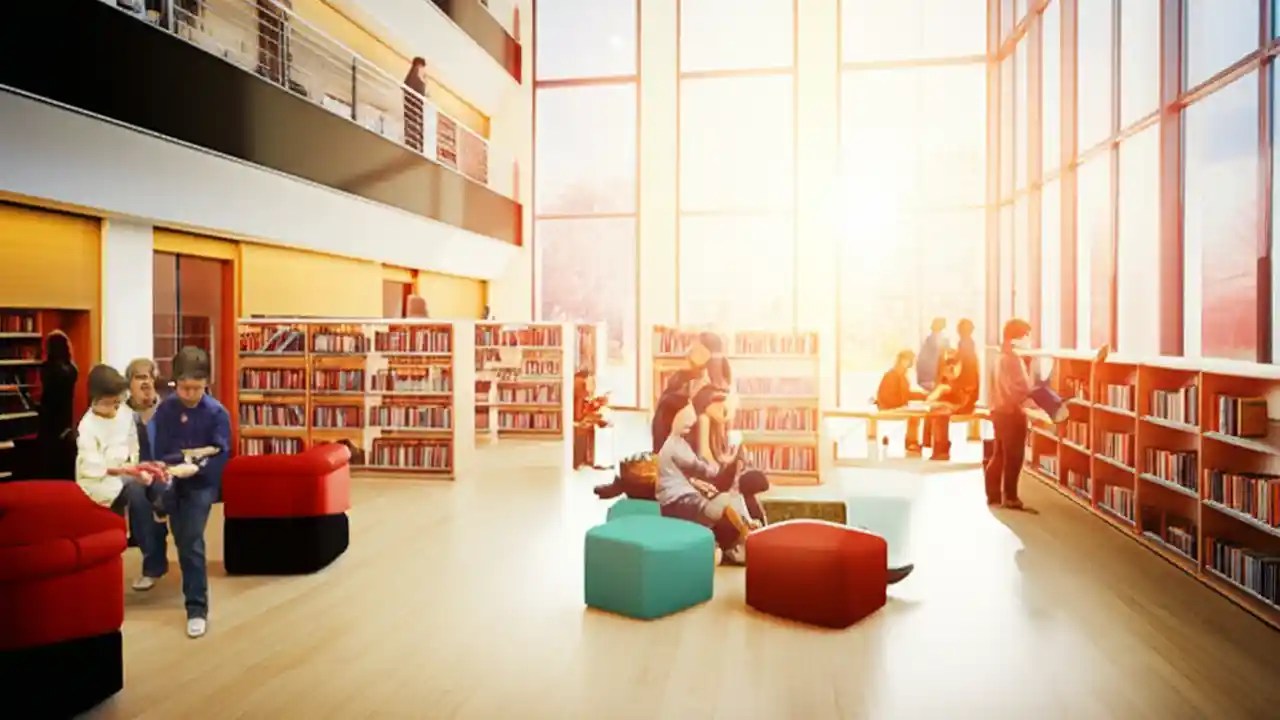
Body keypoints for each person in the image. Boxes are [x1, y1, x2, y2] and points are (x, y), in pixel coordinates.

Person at [126, 347, 230, 639]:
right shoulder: (167, 409)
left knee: (190, 539)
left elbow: (221, 453)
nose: (189, 393)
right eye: (184, 387)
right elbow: (158, 450)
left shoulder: (216, 413)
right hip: (171, 477)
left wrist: (197, 465)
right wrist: (166, 467)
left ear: (206, 383)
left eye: (196, 388)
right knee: (144, 496)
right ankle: (156, 548)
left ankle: (196, 608)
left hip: (201, 483)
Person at [656, 396, 751, 565]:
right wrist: (720, 464)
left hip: (690, 489)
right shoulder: (673, 445)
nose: (690, 422)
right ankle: (740, 537)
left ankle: (742, 534)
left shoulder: (680, 443)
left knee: (731, 499)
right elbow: (700, 466)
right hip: (678, 499)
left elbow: (689, 472)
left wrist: (700, 481)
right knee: (720, 503)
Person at [985, 319, 1036, 511]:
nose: (1028, 339)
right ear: (1018, 336)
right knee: (1014, 456)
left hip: (998, 410)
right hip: (1011, 411)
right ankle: (1011, 497)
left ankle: (993, 495)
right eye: (1026, 335)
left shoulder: (999, 356)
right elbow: (1018, 388)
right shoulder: (1012, 359)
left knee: (999, 453)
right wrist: (1032, 402)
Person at [37, 330, 78, 480]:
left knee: (48, 462)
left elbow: (47, 396)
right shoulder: (72, 369)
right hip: (65, 421)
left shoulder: (48, 369)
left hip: (48, 422)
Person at [924, 350, 977, 462]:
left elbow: (963, 400)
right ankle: (939, 449)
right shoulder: (946, 382)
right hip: (951, 405)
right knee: (937, 412)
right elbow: (931, 399)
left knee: (939, 414)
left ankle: (941, 449)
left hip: (960, 405)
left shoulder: (958, 381)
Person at [876, 350, 928, 454]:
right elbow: (901, 395)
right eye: (908, 360)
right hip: (890, 406)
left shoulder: (899, 373)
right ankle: (911, 442)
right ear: (901, 360)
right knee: (915, 414)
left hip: (890, 405)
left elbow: (905, 394)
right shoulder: (896, 374)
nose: (910, 363)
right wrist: (923, 396)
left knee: (917, 411)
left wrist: (923, 396)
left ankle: (912, 442)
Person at [916, 317, 949, 392]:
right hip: (929, 376)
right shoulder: (934, 338)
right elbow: (941, 350)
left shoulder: (936, 338)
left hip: (928, 375)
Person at [403, 57, 428, 153]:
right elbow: (417, 90)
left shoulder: (412, 76)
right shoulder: (414, 76)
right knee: (413, 131)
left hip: (413, 112)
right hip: (413, 112)